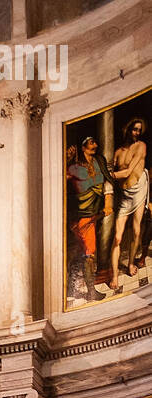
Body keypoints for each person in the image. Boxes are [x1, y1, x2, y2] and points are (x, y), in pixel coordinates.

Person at [67, 135, 113, 300]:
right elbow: (59, 180)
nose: (96, 144)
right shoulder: (74, 167)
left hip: (94, 215)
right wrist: (66, 159)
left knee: (82, 253)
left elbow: (107, 183)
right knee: (88, 254)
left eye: (95, 142)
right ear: (83, 146)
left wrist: (108, 203)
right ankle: (91, 292)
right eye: (91, 142)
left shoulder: (99, 163)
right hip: (82, 217)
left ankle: (77, 288)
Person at [109, 118, 148, 288]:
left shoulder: (141, 146)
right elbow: (113, 168)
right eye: (134, 129)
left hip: (139, 188)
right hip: (125, 195)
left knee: (137, 230)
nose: (136, 133)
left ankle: (131, 263)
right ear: (127, 129)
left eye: (139, 130)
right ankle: (115, 276)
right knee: (117, 237)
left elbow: (128, 171)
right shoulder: (117, 152)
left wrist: (110, 174)